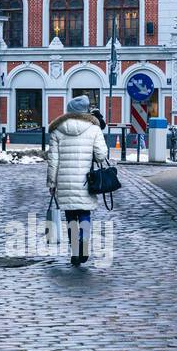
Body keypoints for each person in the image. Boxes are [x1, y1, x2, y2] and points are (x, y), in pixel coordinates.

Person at [47, 94, 109, 266]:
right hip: (85, 181)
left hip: (64, 182)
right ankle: (84, 242)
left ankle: (75, 252)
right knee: (84, 213)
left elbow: (53, 160)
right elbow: (102, 155)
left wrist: (51, 183)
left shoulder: (57, 129)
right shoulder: (93, 128)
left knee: (70, 217)